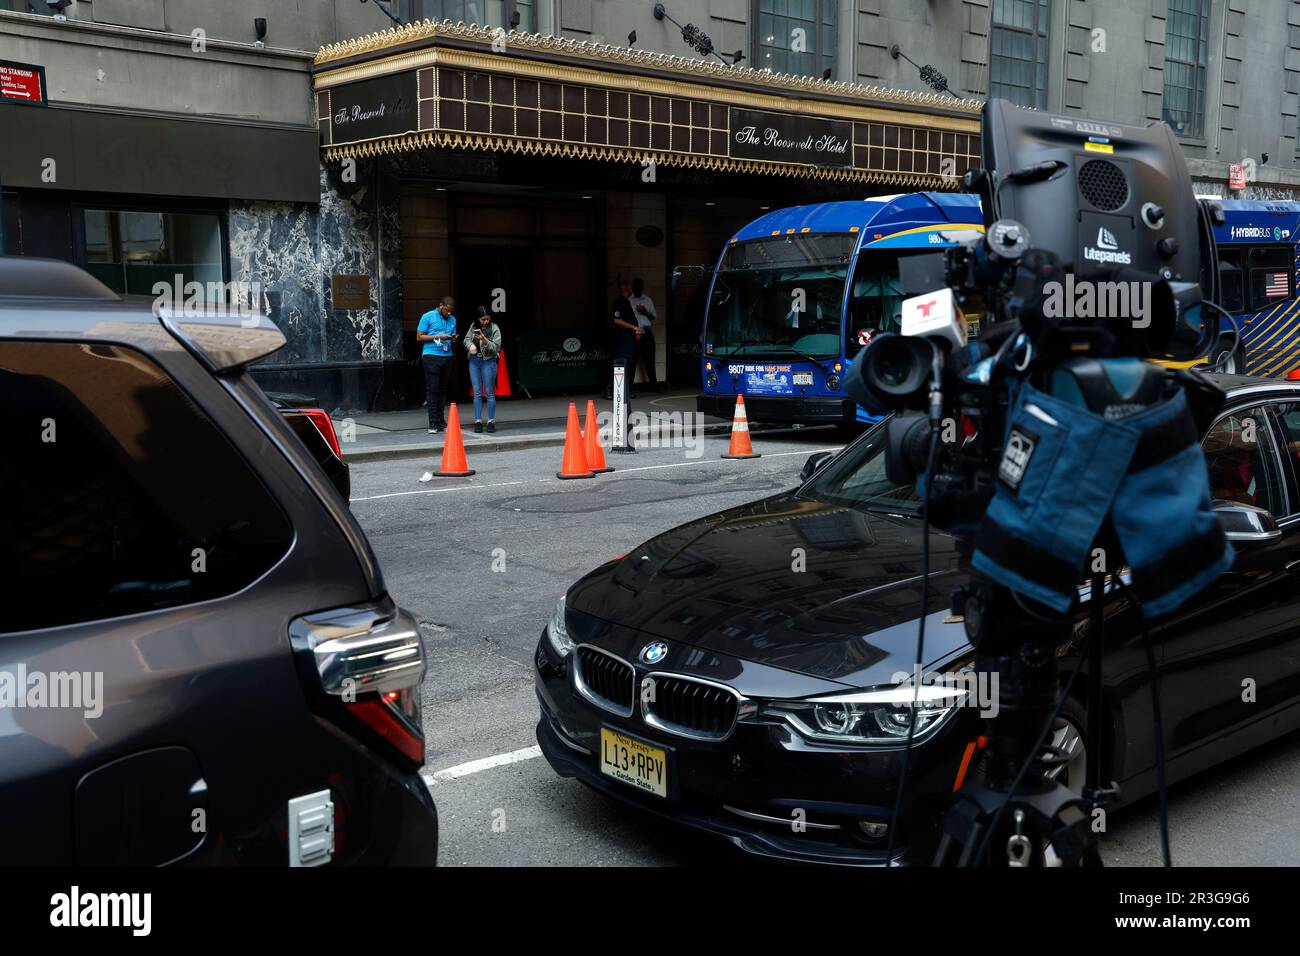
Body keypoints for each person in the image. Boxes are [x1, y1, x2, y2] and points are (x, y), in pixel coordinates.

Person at [417, 296, 457, 433]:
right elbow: (419, 337)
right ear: (441, 306)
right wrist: (438, 336)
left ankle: (441, 421)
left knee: (443, 390)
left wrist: (453, 338)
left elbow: (452, 336)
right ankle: (432, 423)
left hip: (447, 356)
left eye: (451, 311)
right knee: (433, 389)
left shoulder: (453, 319)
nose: (449, 313)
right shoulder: (428, 316)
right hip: (431, 355)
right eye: (447, 310)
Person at [464, 305, 502, 433]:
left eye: (487, 319)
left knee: (489, 392)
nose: (485, 321)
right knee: (477, 392)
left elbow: (496, 348)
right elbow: (466, 339)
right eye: (483, 319)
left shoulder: (494, 328)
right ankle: (478, 421)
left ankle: (491, 420)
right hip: (475, 361)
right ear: (478, 319)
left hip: (488, 362)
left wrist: (484, 339)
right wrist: (470, 345)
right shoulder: (473, 326)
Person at [608, 277, 640, 400]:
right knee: (622, 364)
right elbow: (617, 320)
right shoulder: (621, 301)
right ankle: (613, 389)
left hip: (629, 339)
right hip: (623, 339)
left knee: (629, 363)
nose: (632, 289)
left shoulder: (626, 301)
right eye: (630, 287)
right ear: (626, 288)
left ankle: (626, 389)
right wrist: (633, 327)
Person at [629, 277, 658, 389]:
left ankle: (654, 385)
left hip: (646, 332)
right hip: (634, 333)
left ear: (642, 288)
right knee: (632, 360)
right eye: (635, 287)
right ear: (632, 288)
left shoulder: (647, 300)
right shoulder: (629, 300)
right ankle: (630, 387)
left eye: (640, 287)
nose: (638, 289)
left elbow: (653, 317)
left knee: (650, 360)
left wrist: (645, 312)